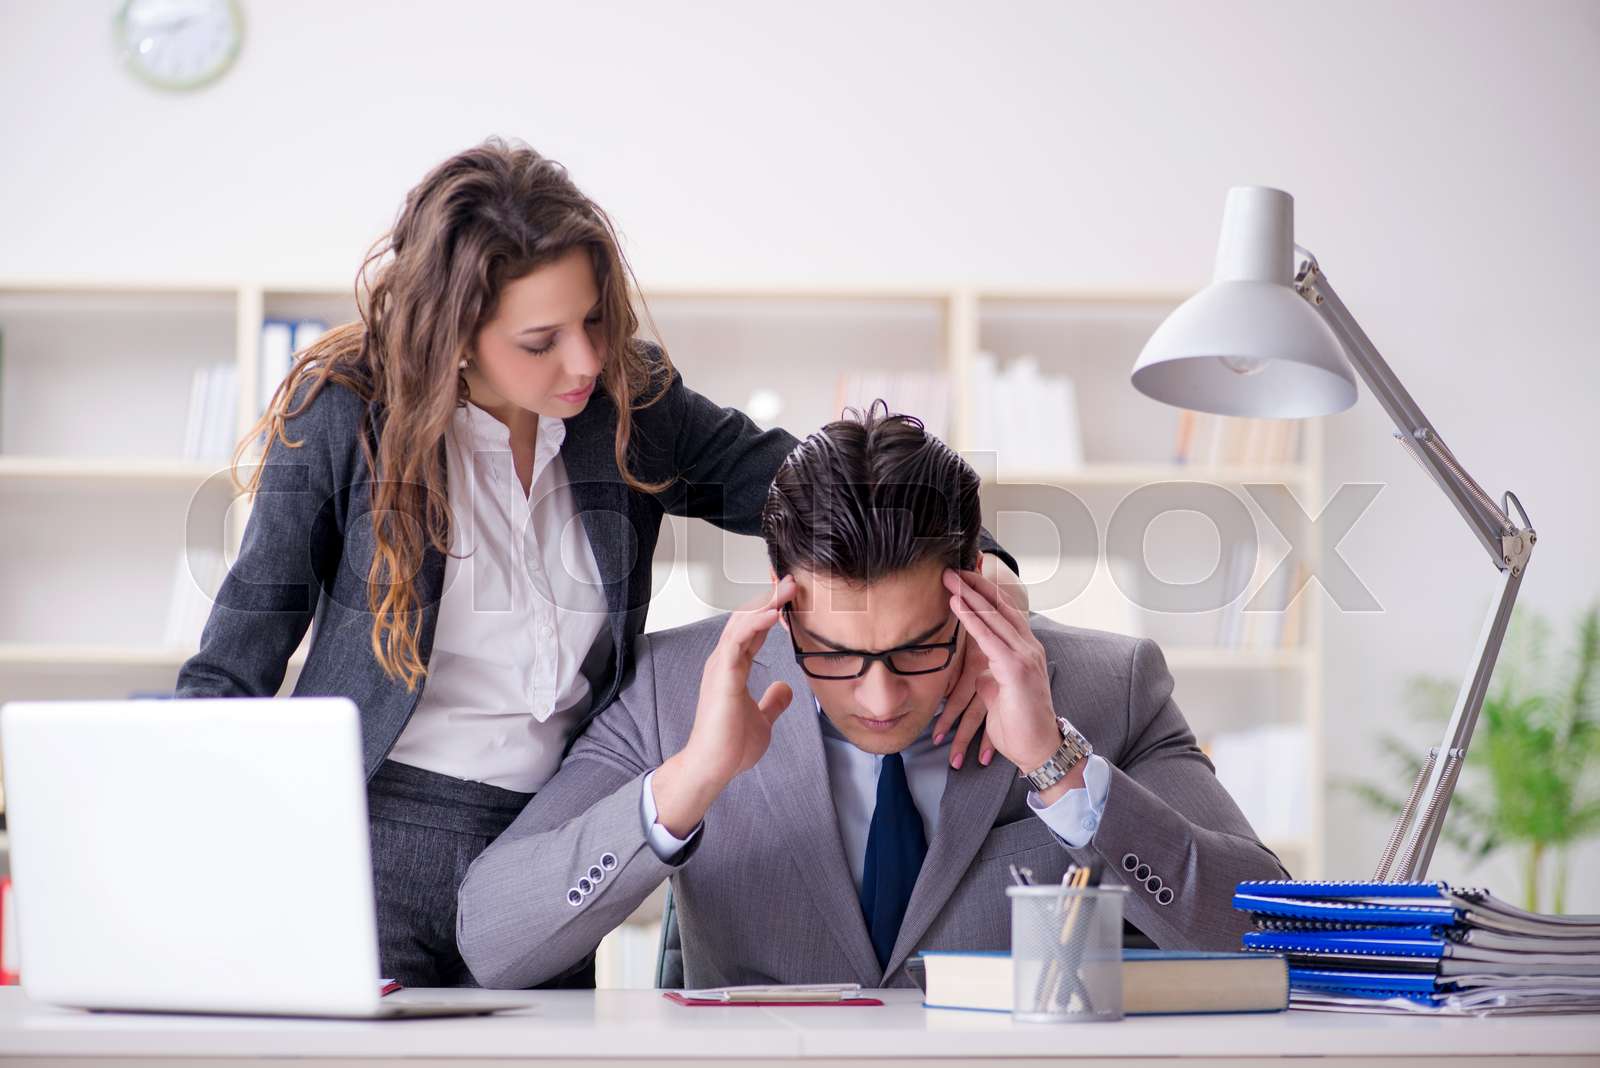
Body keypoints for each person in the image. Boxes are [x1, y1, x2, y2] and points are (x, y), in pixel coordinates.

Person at [175, 141, 1018, 988]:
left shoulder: (630, 405)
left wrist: (984, 573)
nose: (584, 361)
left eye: (595, 321)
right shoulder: (346, 417)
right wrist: (192, 871)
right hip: (366, 845)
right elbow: (231, 666)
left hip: (552, 845)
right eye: (540, 341)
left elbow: (831, 489)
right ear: (453, 336)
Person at [456, 404, 1291, 990]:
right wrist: (689, 783)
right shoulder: (677, 689)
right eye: (836, 654)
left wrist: (1059, 768)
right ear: (781, 596)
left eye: (919, 647)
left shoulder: (1111, 688)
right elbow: (493, 940)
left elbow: (1268, 931)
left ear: (974, 585)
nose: (882, 696)